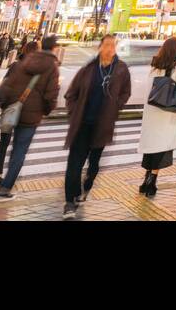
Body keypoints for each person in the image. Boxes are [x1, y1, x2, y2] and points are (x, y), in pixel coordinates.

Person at [62, 34, 131, 218]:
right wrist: (74, 112)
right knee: (74, 164)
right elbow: (71, 94)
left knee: (93, 165)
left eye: (113, 45)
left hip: (102, 126)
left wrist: (115, 107)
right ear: (100, 47)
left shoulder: (121, 69)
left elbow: (126, 92)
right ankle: (70, 202)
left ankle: (86, 184)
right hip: (82, 124)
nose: (110, 49)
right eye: (106, 45)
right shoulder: (89, 69)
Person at [0, 36, 60, 197]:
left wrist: (5, 106)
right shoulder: (52, 66)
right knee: (19, 150)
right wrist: (46, 111)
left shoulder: (27, 60)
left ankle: (0, 175)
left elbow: (9, 83)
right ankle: (5, 188)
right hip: (31, 116)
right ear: (54, 48)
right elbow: (51, 95)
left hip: (12, 109)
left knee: (8, 144)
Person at [137, 37, 176, 197]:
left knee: (151, 147)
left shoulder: (155, 64)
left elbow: (149, 87)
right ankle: (152, 181)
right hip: (166, 112)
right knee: (161, 147)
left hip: (153, 111)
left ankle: (145, 179)